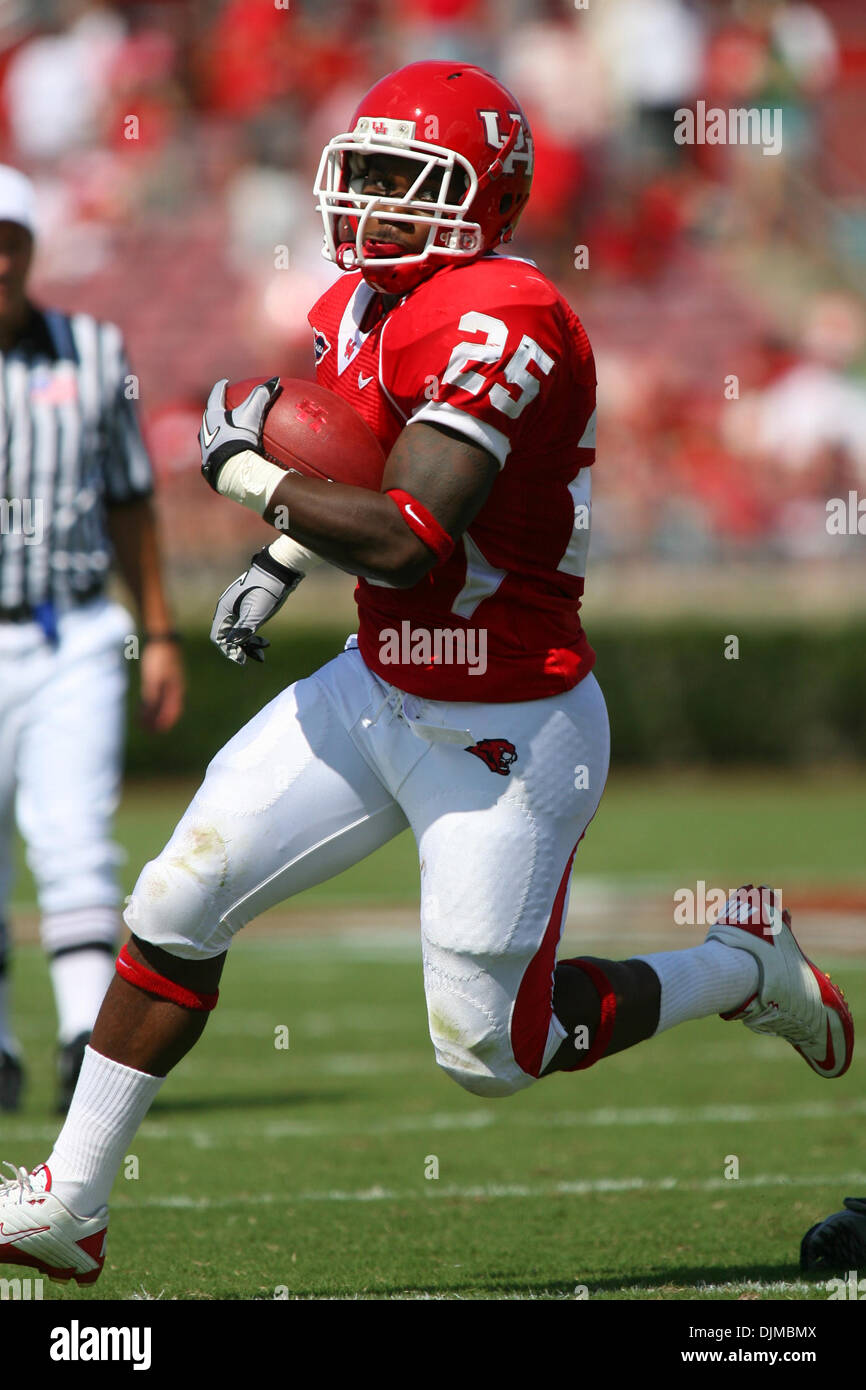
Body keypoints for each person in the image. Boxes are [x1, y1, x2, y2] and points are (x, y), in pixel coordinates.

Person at [0, 64, 852, 1285]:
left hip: (508, 725)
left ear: (487, 201)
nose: (377, 203)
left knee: (494, 1053)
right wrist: (288, 550)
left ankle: (741, 964)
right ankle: (68, 1202)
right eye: (371, 174)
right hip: (378, 680)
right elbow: (367, 461)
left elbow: (412, 533)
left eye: (411, 182)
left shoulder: (504, 312)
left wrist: (251, 479)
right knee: (174, 902)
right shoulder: (365, 301)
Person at [0, 165, 184, 1117]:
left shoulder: (92, 348)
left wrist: (157, 630)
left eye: (9, 239)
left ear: (32, 248)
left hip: (70, 621)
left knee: (73, 833)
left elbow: (131, 502)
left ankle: (82, 1034)